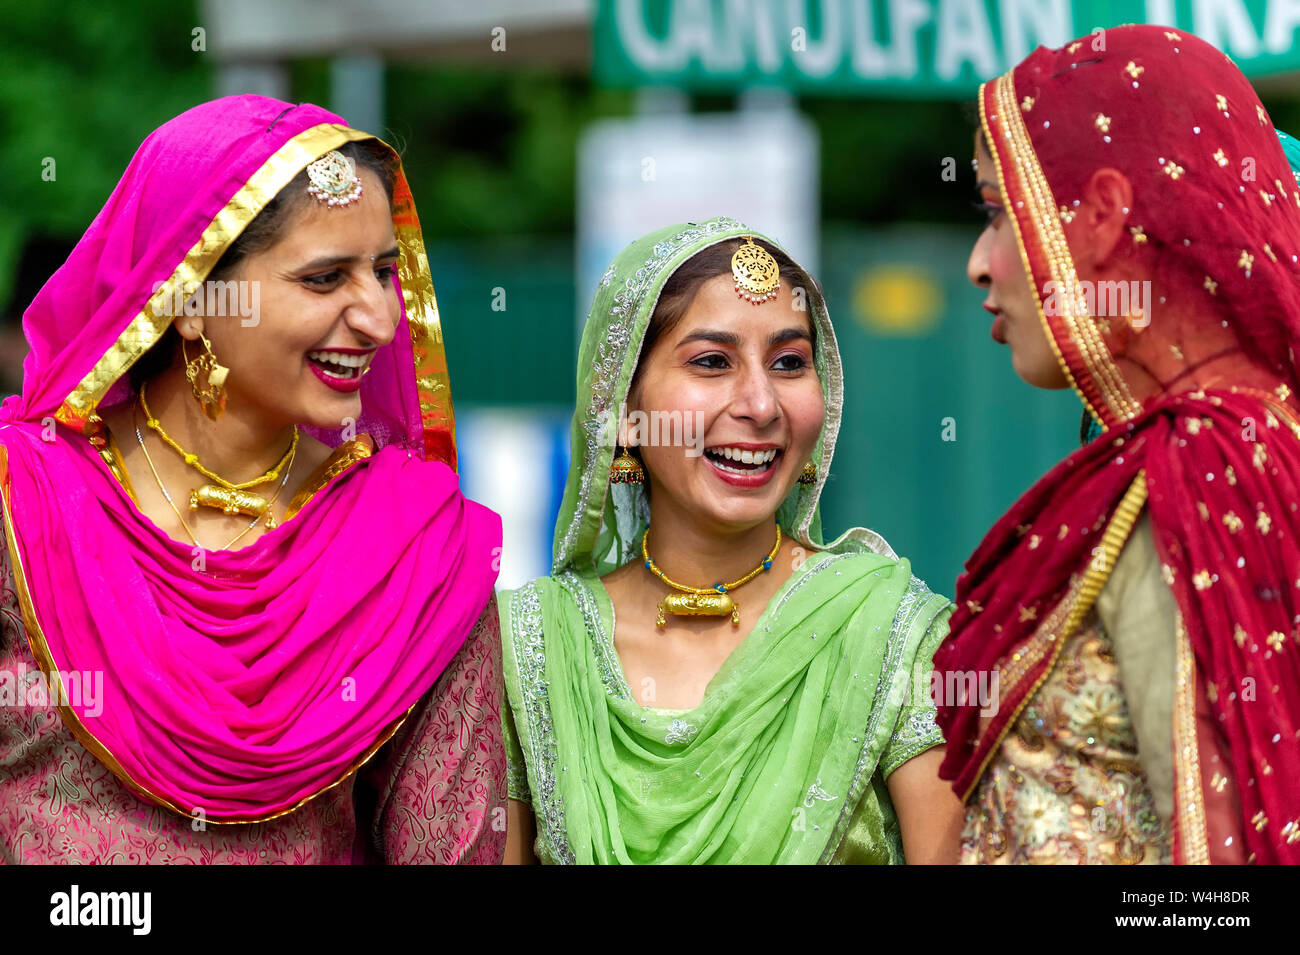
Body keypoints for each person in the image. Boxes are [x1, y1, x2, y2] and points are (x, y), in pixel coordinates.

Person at [0, 95, 505, 863]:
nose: (378, 317)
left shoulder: (419, 545)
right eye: (325, 278)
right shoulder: (24, 500)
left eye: (383, 272)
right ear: (191, 298)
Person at [940, 24, 1300, 864]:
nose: (979, 263)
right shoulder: (1246, 445)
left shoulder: (1200, 471)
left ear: (1103, 220)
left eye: (999, 212)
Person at [500, 217, 963, 864]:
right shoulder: (532, 647)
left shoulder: (892, 633)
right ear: (623, 407)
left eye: (789, 363)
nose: (761, 403)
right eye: (712, 362)